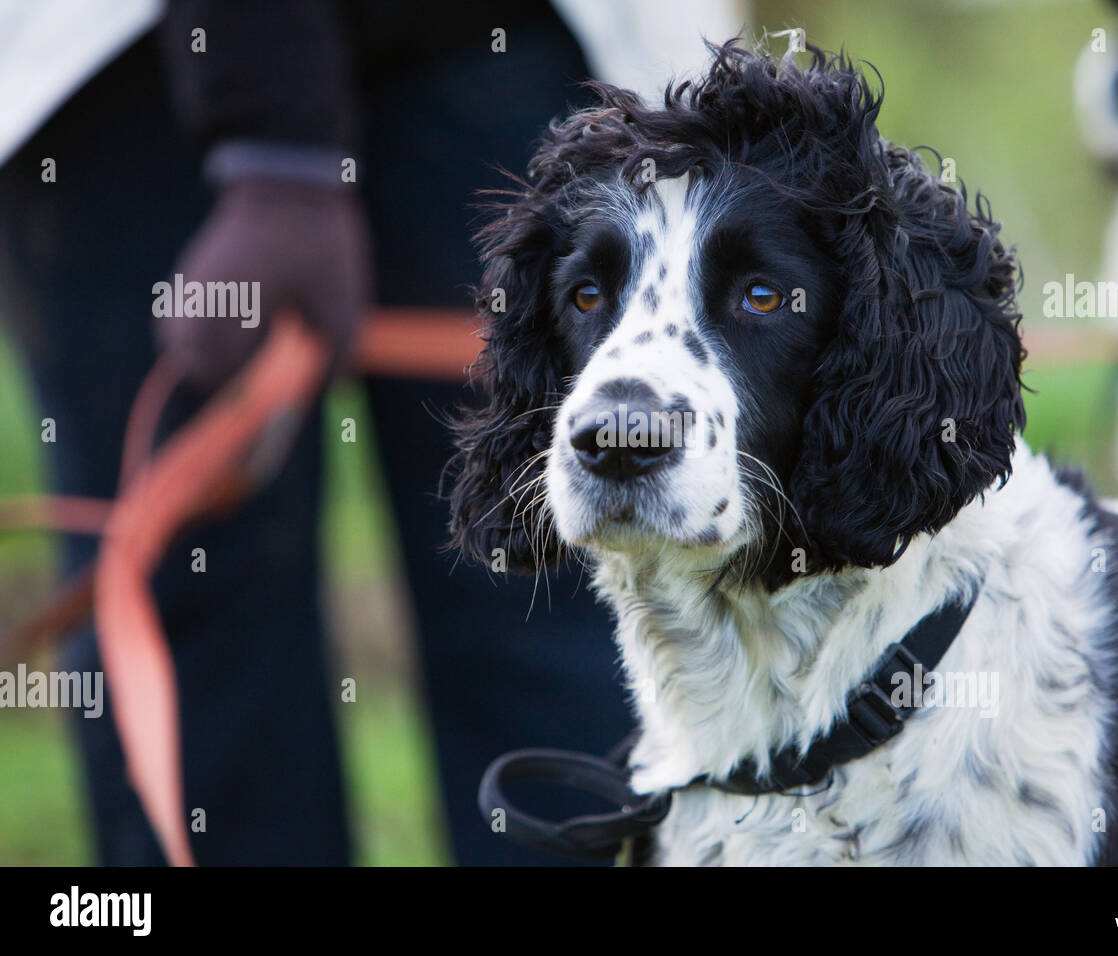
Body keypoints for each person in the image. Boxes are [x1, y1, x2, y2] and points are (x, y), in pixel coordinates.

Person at [0, 1, 656, 865]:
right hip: (119, 52)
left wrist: (277, 156)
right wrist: (273, 149)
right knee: (199, 620)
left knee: (575, 577)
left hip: (514, 36)